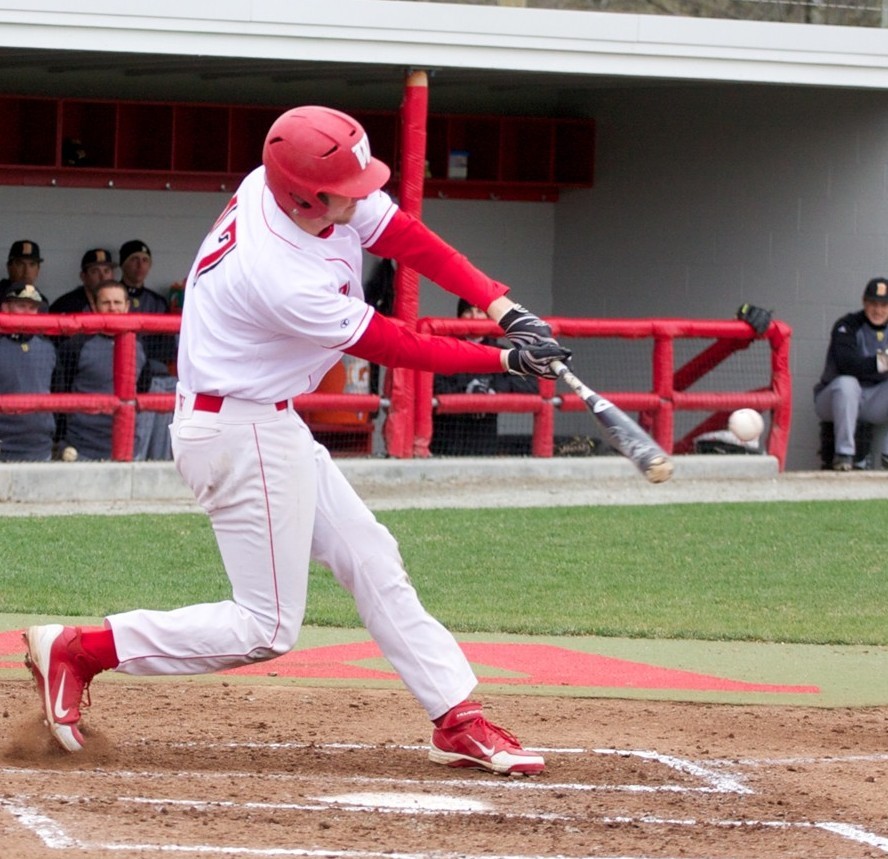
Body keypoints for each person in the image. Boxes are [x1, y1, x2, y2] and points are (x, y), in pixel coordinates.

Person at [23, 105, 569, 775]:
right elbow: (396, 344)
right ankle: (82, 648)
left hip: (261, 418)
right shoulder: (279, 274)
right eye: (351, 184)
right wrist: (506, 360)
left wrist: (501, 308)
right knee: (265, 626)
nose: (366, 192)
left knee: (370, 555)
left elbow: (405, 236)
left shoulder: (287, 187)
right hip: (237, 427)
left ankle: (457, 714)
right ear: (307, 193)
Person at [51, 280, 150, 461]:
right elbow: (60, 390)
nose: (112, 308)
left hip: (127, 447)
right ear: (94, 307)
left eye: (117, 302)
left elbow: (143, 387)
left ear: (127, 306)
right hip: (81, 448)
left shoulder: (139, 345)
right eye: (106, 303)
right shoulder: (76, 345)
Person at [432, 299, 539, 456]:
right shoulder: (443, 349)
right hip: (445, 443)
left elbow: (532, 385)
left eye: (480, 311)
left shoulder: (502, 353)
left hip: (484, 444)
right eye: (468, 311)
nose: (474, 316)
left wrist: (492, 388)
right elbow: (432, 384)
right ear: (458, 317)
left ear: (488, 318)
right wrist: (468, 392)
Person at [814, 277, 888, 471]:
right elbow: (849, 365)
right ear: (864, 302)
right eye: (873, 303)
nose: (878, 310)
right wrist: (884, 361)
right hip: (833, 399)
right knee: (847, 383)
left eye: (884, 305)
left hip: (873, 399)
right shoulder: (847, 324)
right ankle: (844, 455)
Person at [118, 239, 176, 461]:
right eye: (134, 260)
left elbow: (165, 348)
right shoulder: (112, 296)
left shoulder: (157, 302)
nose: (140, 266)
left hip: (150, 380)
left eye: (145, 261)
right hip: (120, 376)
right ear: (123, 265)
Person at [0, 281, 57, 461]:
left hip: (40, 446)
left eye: (32, 307)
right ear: (6, 308)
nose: (27, 312)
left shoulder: (48, 347)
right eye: (21, 306)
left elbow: (59, 391)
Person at [49, 248, 116, 314]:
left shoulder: (120, 301)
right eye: (95, 272)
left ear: (113, 275)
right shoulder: (66, 305)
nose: (102, 277)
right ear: (83, 276)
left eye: (106, 271)